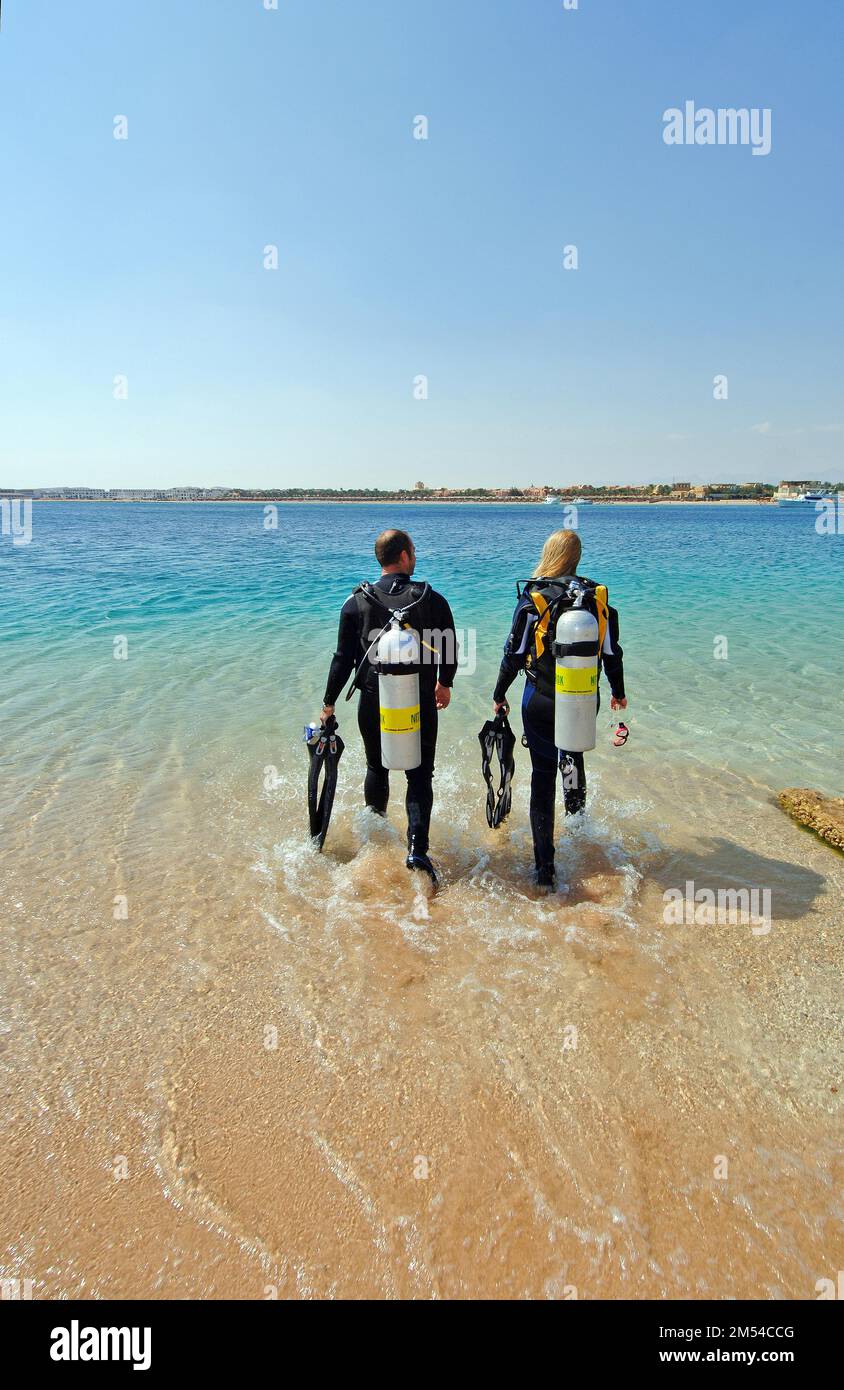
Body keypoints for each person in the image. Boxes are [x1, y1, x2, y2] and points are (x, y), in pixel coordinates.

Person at [492, 529, 627, 888]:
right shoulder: (596, 600)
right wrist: (619, 692)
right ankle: (578, 828)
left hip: (540, 699)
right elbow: (613, 653)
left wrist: (499, 692)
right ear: (576, 558)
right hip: (583, 694)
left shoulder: (533, 597)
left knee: (541, 774)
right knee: (572, 753)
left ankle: (544, 867)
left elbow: (514, 654)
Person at [320, 529, 457, 880]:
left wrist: (329, 703)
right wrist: (445, 684)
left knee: (376, 768)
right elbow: (451, 649)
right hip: (419, 701)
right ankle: (417, 851)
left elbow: (342, 659)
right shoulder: (432, 598)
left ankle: (375, 843)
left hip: (373, 701)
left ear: (379, 559)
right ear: (406, 555)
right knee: (420, 773)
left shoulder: (356, 601)